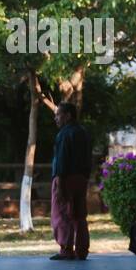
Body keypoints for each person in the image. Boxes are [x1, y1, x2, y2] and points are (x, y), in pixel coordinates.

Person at [50, 101, 92, 260]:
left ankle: (66, 249)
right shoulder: (83, 132)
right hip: (81, 179)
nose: (56, 118)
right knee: (79, 215)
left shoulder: (64, 134)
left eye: (58, 115)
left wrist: (59, 183)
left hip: (65, 179)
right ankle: (82, 250)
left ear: (68, 115)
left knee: (62, 214)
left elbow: (61, 161)